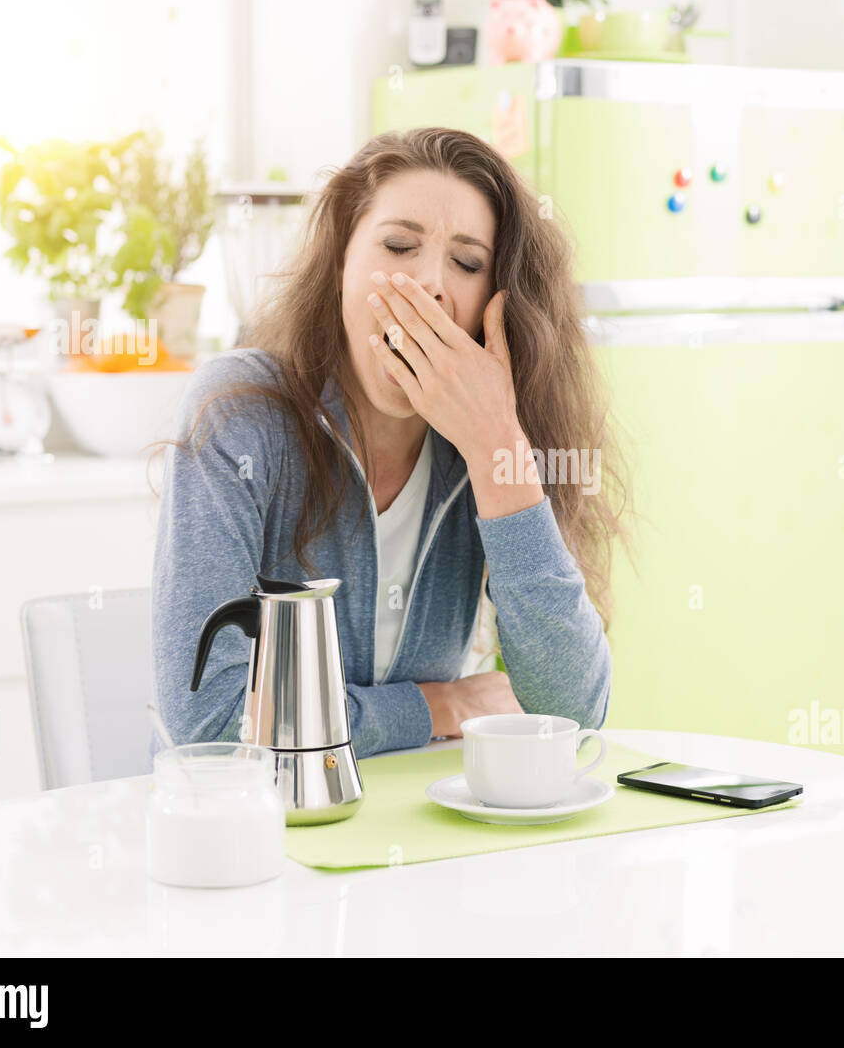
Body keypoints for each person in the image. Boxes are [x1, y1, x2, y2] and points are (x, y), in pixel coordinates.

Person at [150, 126, 630, 762]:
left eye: (467, 263)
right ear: (341, 263)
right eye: (399, 245)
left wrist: (497, 451)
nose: (429, 285)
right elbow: (212, 725)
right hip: (255, 840)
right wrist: (439, 706)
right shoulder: (237, 414)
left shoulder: (488, 445)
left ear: (494, 301)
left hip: (420, 837)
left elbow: (571, 712)